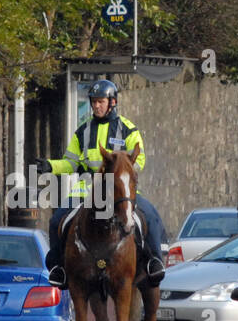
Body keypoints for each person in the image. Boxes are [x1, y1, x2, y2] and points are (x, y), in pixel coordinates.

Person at [32, 79, 166, 288]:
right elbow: (71, 162)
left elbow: (139, 160)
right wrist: (51, 166)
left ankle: (154, 262)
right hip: (87, 189)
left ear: (112, 102)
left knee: (150, 214)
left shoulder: (129, 129)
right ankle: (58, 268)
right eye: (94, 102)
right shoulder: (83, 131)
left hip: (120, 190)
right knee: (56, 220)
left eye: (100, 102)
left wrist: (124, 175)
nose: (96, 106)